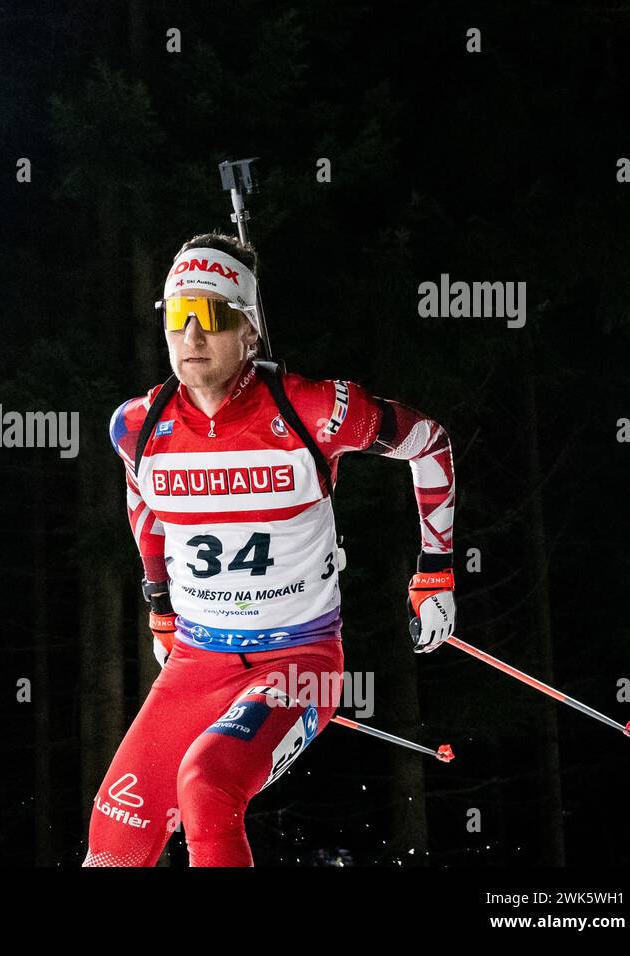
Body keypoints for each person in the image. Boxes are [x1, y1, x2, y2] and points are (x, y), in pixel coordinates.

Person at [81, 232, 457, 867]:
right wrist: (159, 606)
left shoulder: (316, 412)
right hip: (198, 660)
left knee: (205, 785)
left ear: (249, 331)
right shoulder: (138, 427)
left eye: (214, 317)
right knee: (114, 837)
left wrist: (436, 574)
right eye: (178, 317)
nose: (192, 338)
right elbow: (142, 508)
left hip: (299, 662)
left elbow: (430, 442)